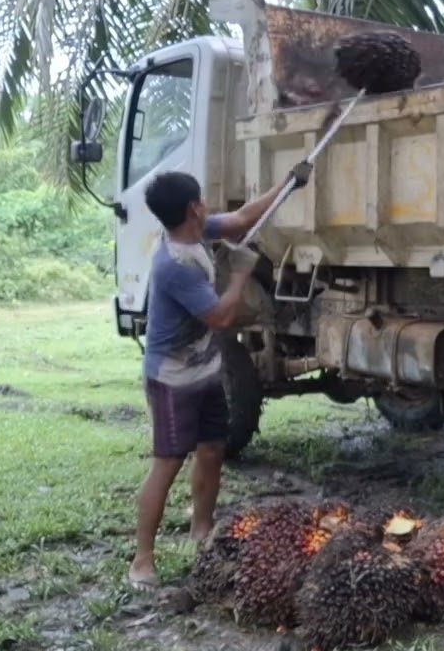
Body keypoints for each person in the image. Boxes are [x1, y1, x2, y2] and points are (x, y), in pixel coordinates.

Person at [127, 165, 308, 589]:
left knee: (212, 448)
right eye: (202, 199)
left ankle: (202, 531)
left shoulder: (196, 231)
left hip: (205, 368)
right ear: (194, 208)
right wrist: (242, 272)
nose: (206, 205)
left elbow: (244, 219)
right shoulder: (174, 264)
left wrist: (287, 184)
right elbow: (221, 315)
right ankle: (142, 560)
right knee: (167, 464)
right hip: (171, 377)